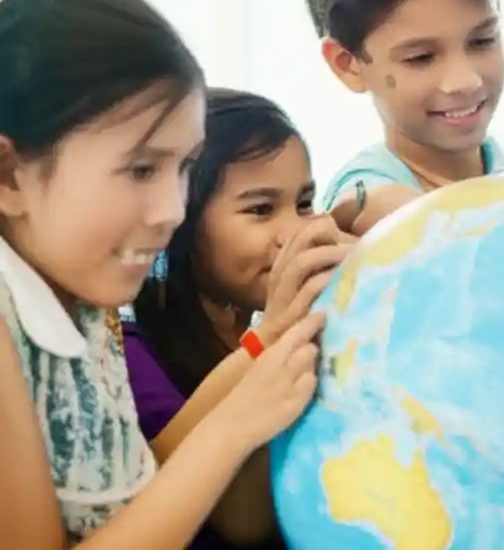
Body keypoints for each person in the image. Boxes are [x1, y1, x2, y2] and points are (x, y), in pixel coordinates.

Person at [0, 0, 324, 549]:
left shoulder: (84, 307)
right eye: (142, 170)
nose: (173, 210)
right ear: (9, 176)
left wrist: (265, 340)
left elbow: (134, 490)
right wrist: (233, 428)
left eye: (184, 169)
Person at [125, 89, 351, 549]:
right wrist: (273, 338)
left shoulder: (279, 326)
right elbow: (242, 523)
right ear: (180, 219)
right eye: (261, 210)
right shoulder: (132, 354)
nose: (296, 231)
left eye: (304, 203)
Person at [306, 0, 504, 236]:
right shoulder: (364, 201)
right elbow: (385, 212)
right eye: (421, 58)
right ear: (348, 64)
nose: (465, 81)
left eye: (481, 41)